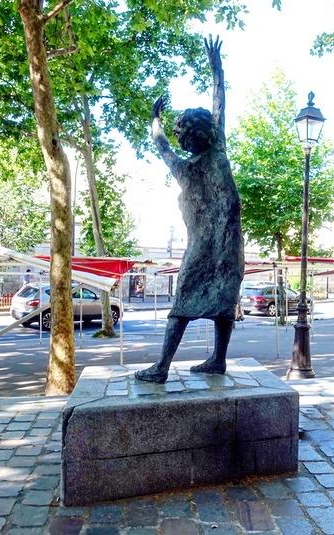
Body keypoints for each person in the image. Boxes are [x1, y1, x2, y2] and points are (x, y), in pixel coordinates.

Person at [135, 36, 244, 384]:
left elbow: (160, 144)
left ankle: (163, 366)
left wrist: (155, 118)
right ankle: (217, 359)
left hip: (204, 247)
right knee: (223, 302)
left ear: (187, 138)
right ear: (209, 132)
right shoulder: (218, 151)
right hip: (230, 244)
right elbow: (219, 103)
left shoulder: (184, 168)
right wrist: (217, 68)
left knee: (183, 303)